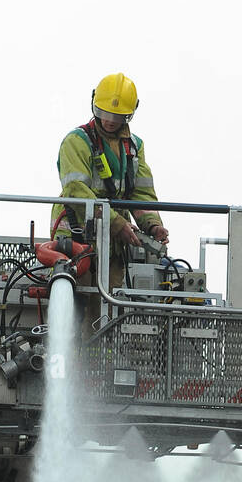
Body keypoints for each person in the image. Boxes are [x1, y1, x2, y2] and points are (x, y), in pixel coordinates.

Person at [51, 73, 168, 335]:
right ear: (94, 104)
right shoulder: (76, 142)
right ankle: (70, 363)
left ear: (129, 114)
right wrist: (117, 223)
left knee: (107, 308)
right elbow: (76, 190)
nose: (109, 120)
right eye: (103, 112)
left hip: (112, 243)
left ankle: (99, 366)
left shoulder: (134, 148)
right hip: (75, 237)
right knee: (74, 304)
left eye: (117, 116)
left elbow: (141, 194)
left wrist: (152, 225)